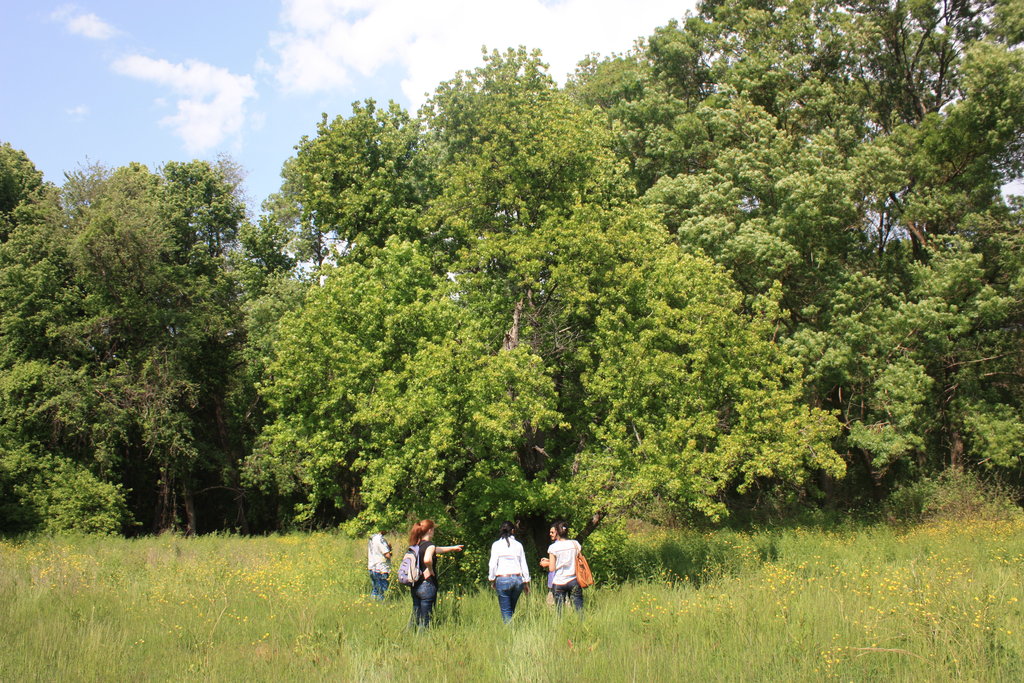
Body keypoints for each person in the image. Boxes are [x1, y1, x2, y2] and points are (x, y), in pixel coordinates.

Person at [407, 519, 464, 628]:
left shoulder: (416, 545)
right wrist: (430, 570)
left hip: (415, 585)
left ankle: (408, 637)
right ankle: (422, 641)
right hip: (427, 585)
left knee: (415, 615)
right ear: (429, 530)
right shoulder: (429, 545)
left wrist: (453, 548)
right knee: (425, 620)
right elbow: (428, 559)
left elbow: (437, 550)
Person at [487, 521, 531, 623]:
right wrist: (526, 581)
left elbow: (492, 564)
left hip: (502, 578)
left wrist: (492, 579)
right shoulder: (518, 545)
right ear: (513, 531)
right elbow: (523, 564)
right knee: (511, 609)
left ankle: (509, 633)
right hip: (517, 579)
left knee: (506, 611)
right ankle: (512, 630)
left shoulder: (496, 545)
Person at [547, 520, 583, 614]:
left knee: (559, 611)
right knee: (578, 609)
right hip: (574, 579)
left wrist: (547, 563)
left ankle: (560, 627)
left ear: (557, 532)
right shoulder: (575, 544)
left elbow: (552, 568)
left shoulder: (553, 547)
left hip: (559, 581)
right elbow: (579, 560)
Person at [367, 531, 392, 600]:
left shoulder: (372, 538)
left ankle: (373, 603)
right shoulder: (380, 539)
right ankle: (382, 605)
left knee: (375, 589)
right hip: (381, 569)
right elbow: (387, 555)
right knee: (382, 591)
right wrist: (390, 550)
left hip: (372, 567)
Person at [538, 524, 557, 606]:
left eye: (552, 532)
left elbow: (563, 563)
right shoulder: (567, 544)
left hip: (558, 581)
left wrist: (548, 563)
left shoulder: (555, 546)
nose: (550, 534)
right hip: (557, 582)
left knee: (551, 605)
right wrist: (549, 560)